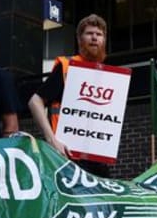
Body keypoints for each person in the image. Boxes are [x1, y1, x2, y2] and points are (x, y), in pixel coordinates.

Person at [28, 13, 110, 176]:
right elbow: (35, 101)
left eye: (99, 34)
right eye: (89, 33)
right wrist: (51, 140)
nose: (94, 38)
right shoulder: (67, 66)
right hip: (67, 156)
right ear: (79, 39)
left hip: (97, 159)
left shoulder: (108, 75)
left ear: (104, 40)